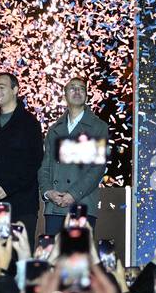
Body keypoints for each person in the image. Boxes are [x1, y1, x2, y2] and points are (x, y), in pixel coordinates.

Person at [39, 77, 111, 233]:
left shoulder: (98, 127)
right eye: (72, 88)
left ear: (86, 95)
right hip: (54, 207)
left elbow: (97, 168)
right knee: (52, 256)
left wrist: (73, 194)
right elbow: (45, 166)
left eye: (82, 88)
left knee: (77, 257)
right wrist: (48, 192)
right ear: (64, 95)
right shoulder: (54, 129)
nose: (77, 91)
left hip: (82, 205)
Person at [0, 72, 44, 241]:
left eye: (2, 87)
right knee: (0, 256)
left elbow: (34, 160)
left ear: (15, 90)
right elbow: (1, 152)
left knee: (20, 257)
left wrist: (8, 187)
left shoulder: (29, 123)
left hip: (23, 202)